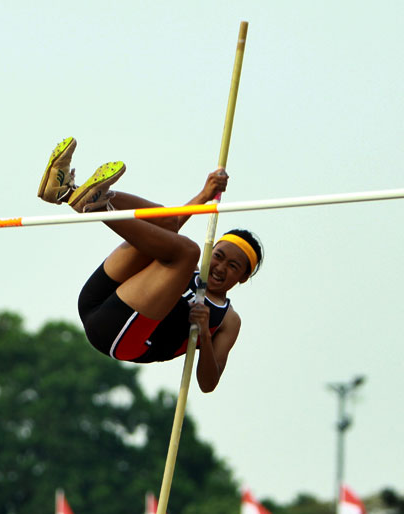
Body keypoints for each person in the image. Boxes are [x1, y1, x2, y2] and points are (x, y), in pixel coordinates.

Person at [37, 137, 263, 393]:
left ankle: (95, 207)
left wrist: (204, 332)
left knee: (188, 250)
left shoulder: (228, 319)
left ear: (243, 277)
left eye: (233, 266)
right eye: (218, 256)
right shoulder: (185, 267)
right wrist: (204, 195)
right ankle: (66, 192)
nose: (220, 267)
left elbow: (208, 383)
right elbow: (170, 226)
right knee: (166, 224)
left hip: (120, 338)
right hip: (96, 300)